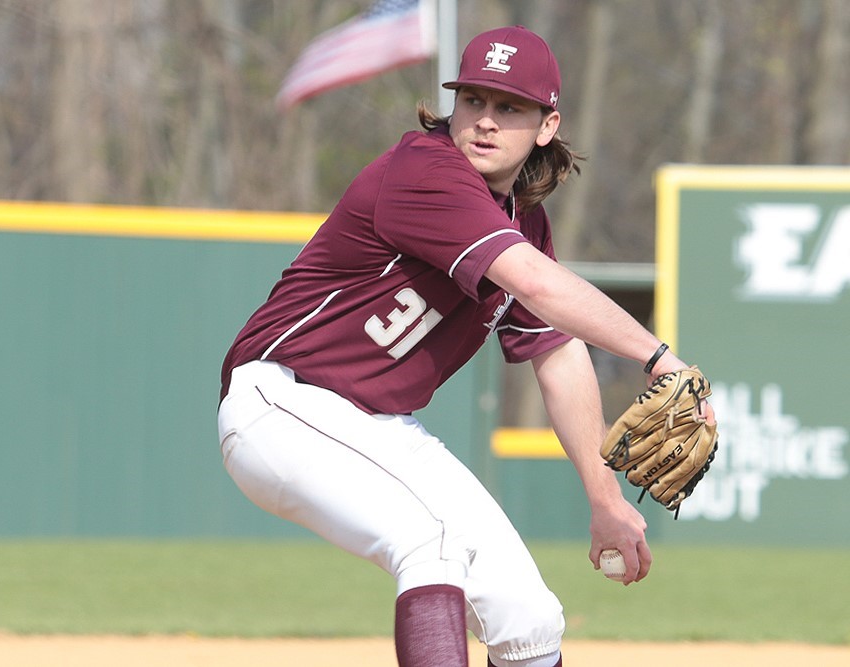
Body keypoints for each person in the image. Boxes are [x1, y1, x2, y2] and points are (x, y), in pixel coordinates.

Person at [218, 25, 700, 667]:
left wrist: (605, 499)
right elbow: (536, 283)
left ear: (547, 125)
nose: (485, 121)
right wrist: (661, 359)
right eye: (473, 100)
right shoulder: (426, 170)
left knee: (527, 616)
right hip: (285, 405)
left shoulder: (523, 218)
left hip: (380, 428)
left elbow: (557, 354)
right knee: (431, 541)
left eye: (509, 108)